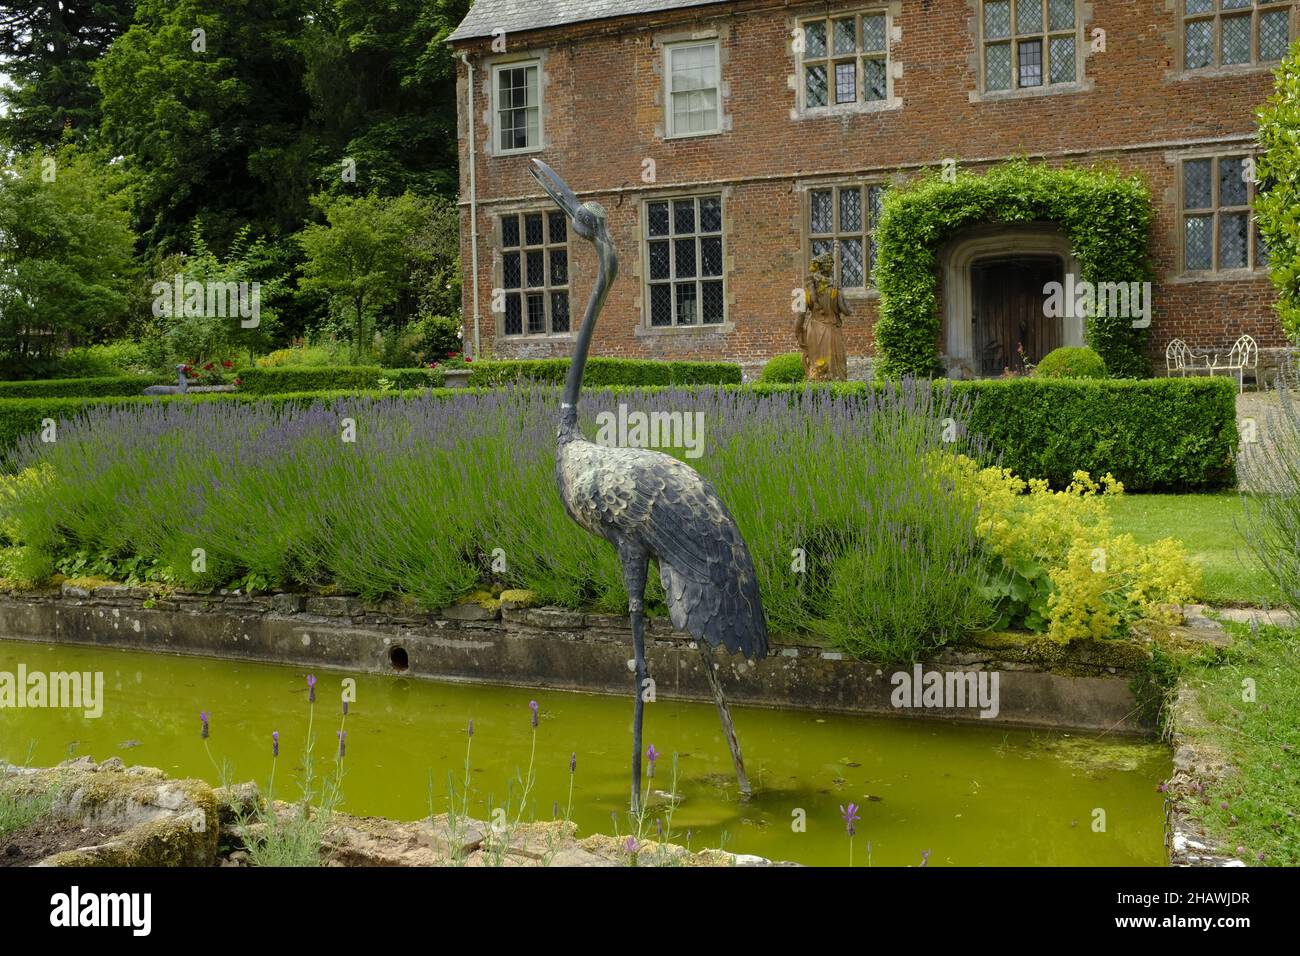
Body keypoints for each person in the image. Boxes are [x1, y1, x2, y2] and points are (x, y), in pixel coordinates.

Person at [795, 251, 850, 381]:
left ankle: (816, 397)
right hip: (832, 330)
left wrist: (798, 334)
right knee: (837, 373)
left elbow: (799, 317)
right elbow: (846, 310)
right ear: (829, 268)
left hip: (814, 331)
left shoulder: (804, 291)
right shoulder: (835, 288)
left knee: (817, 372)